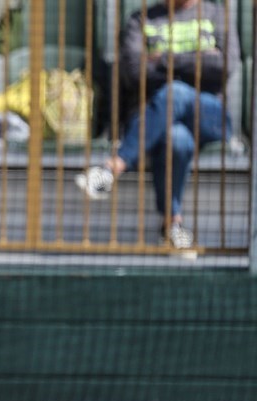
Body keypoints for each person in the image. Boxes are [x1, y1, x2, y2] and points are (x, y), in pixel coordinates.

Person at [75, 0, 240, 249]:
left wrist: (163, 60)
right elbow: (134, 72)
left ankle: (113, 166)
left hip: (210, 116)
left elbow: (225, 65)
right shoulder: (140, 20)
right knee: (177, 138)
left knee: (176, 93)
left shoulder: (217, 15)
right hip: (160, 119)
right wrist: (198, 61)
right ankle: (172, 225)